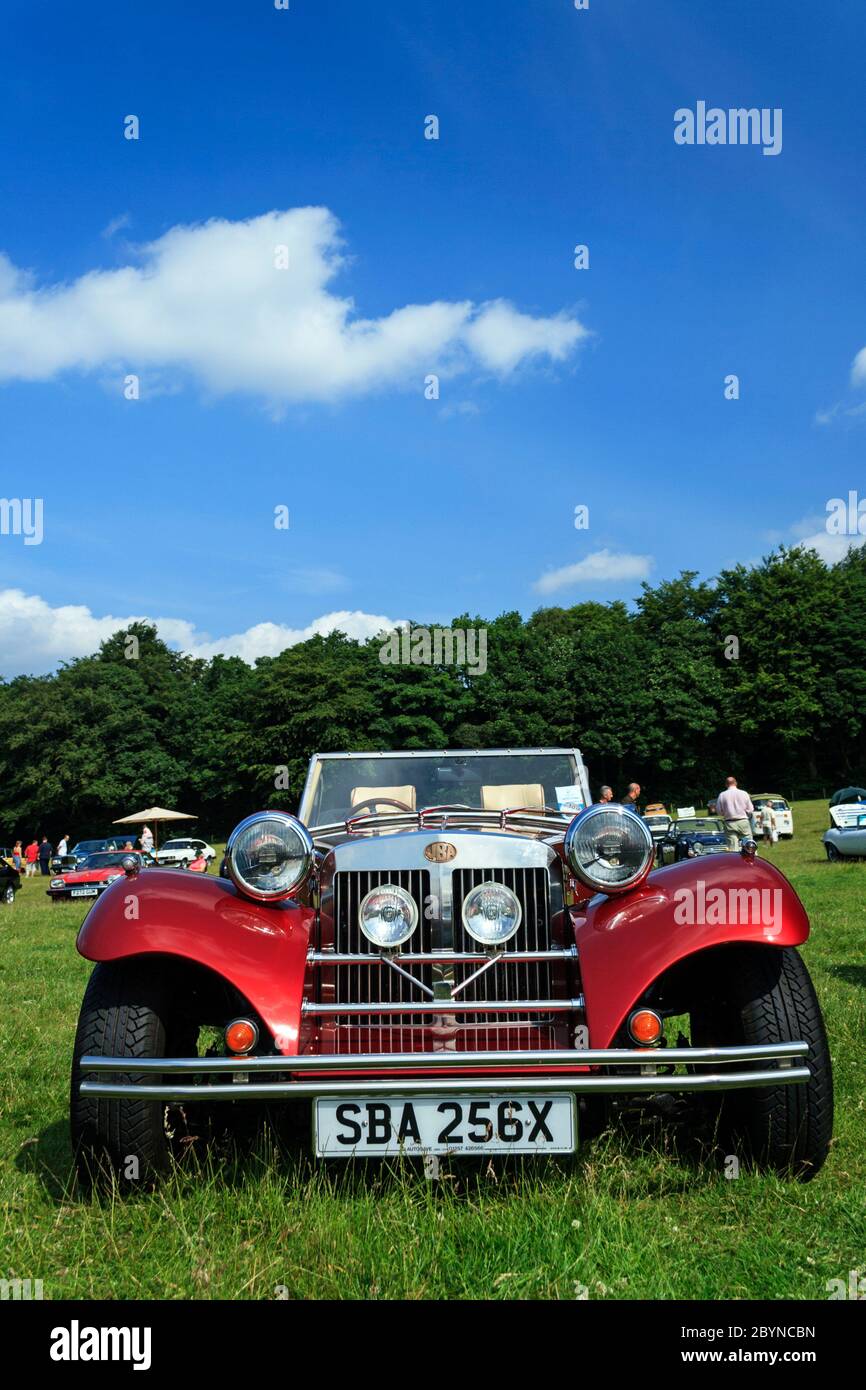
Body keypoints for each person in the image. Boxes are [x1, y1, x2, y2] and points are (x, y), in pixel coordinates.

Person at [716, 776, 754, 851]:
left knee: (732, 847)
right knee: (749, 844)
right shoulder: (744, 793)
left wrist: (726, 813)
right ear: (736, 783)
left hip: (729, 822)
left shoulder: (722, 795)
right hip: (743, 821)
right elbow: (750, 809)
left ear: (726, 784)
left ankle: (735, 861)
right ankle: (751, 860)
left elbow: (719, 812)